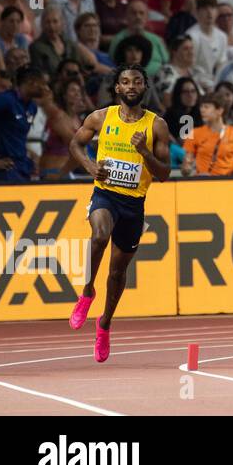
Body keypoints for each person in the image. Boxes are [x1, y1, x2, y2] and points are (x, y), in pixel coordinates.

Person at [66, 64, 172, 362]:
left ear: (144, 86)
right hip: (105, 195)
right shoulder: (100, 117)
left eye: (136, 81)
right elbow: (75, 143)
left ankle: (104, 324)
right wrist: (89, 167)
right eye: (125, 81)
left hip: (134, 204)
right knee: (99, 235)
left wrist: (145, 153)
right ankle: (87, 292)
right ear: (117, 88)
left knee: (117, 272)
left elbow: (164, 173)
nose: (131, 86)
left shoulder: (156, 125)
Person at [182, 91, 233, 178]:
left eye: (206, 107)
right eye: (201, 106)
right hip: (203, 182)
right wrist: (186, 168)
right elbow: (186, 165)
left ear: (219, 110)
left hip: (229, 182)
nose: (202, 110)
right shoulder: (194, 133)